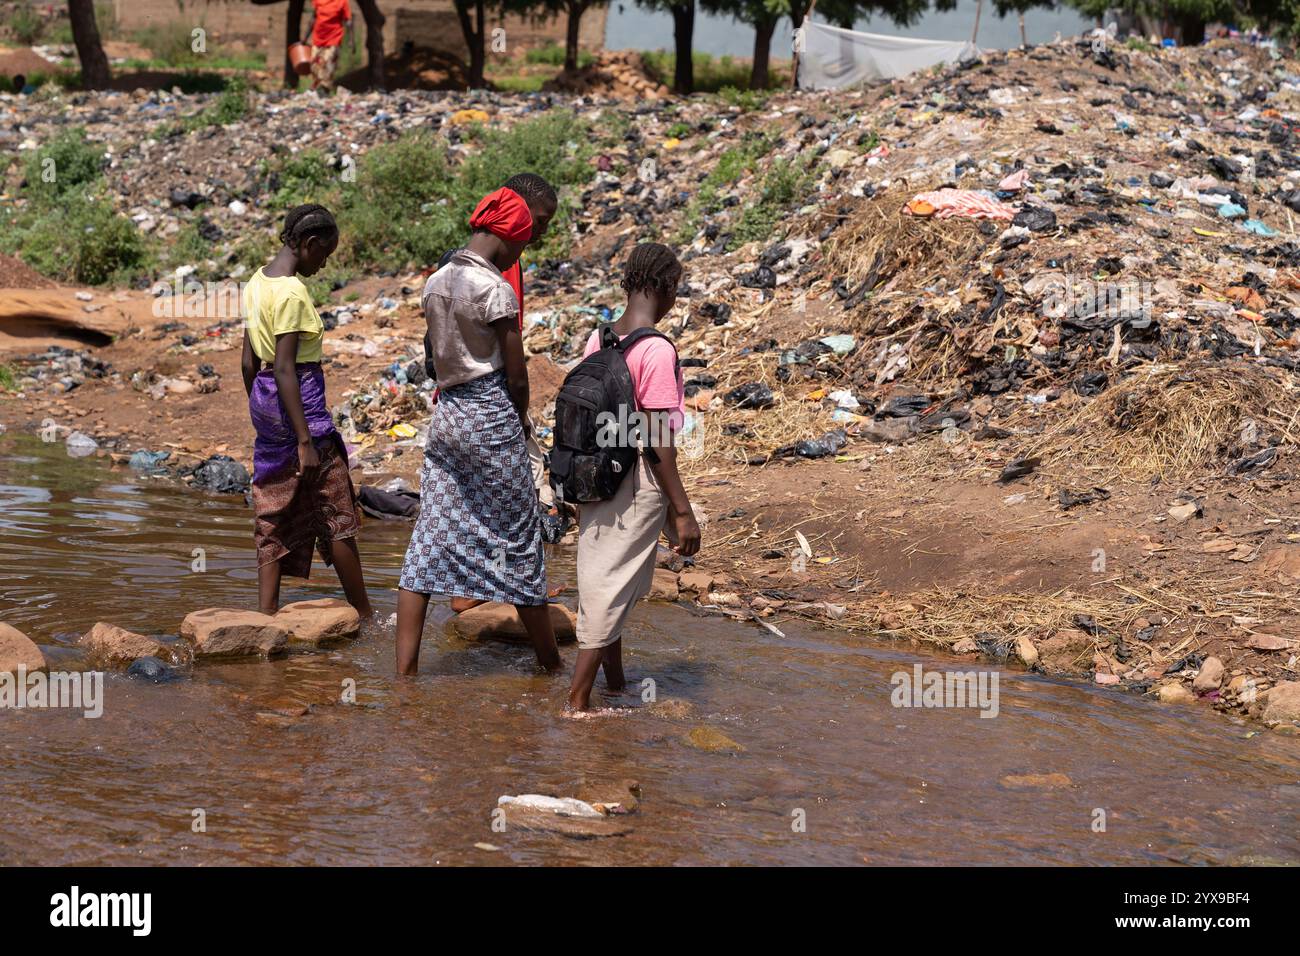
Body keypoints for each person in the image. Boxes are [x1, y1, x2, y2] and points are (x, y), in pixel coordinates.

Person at [396, 188, 561, 675]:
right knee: (517, 534)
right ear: (509, 236)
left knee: (430, 534)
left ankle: (404, 674)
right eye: (523, 242)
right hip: (490, 413)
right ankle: (551, 668)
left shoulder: (435, 281)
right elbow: (515, 374)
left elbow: (433, 358)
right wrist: (522, 420)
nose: (520, 253)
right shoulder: (496, 290)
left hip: (447, 416)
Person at [567, 243, 700, 712]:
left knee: (607, 579)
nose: (674, 302)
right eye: (676, 291)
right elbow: (657, 437)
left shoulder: (599, 339)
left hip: (596, 475)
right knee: (611, 587)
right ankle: (577, 701)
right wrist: (681, 511)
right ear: (663, 288)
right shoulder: (657, 350)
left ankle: (615, 685)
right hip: (638, 479)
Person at [240, 204, 372, 618]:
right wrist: (303, 440)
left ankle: (266, 614)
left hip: (267, 402)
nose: (324, 263)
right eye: (325, 255)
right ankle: (366, 616)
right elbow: (285, 367)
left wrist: (262, 412)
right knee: (335, 508)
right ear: (310, 244)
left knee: (274, 504)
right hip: (300, 407)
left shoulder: (257, 282)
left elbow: (249, 361)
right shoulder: (293, 292)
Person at [305, 0, 353, 93]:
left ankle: (325, 88)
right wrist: (305, 38)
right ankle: (317, 85)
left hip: (334, 37)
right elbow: (314, 18)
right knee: (314, 65)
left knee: (327, 62)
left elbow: (348, 20)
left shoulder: (342, 2)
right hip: (318, 38)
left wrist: (351, 40)